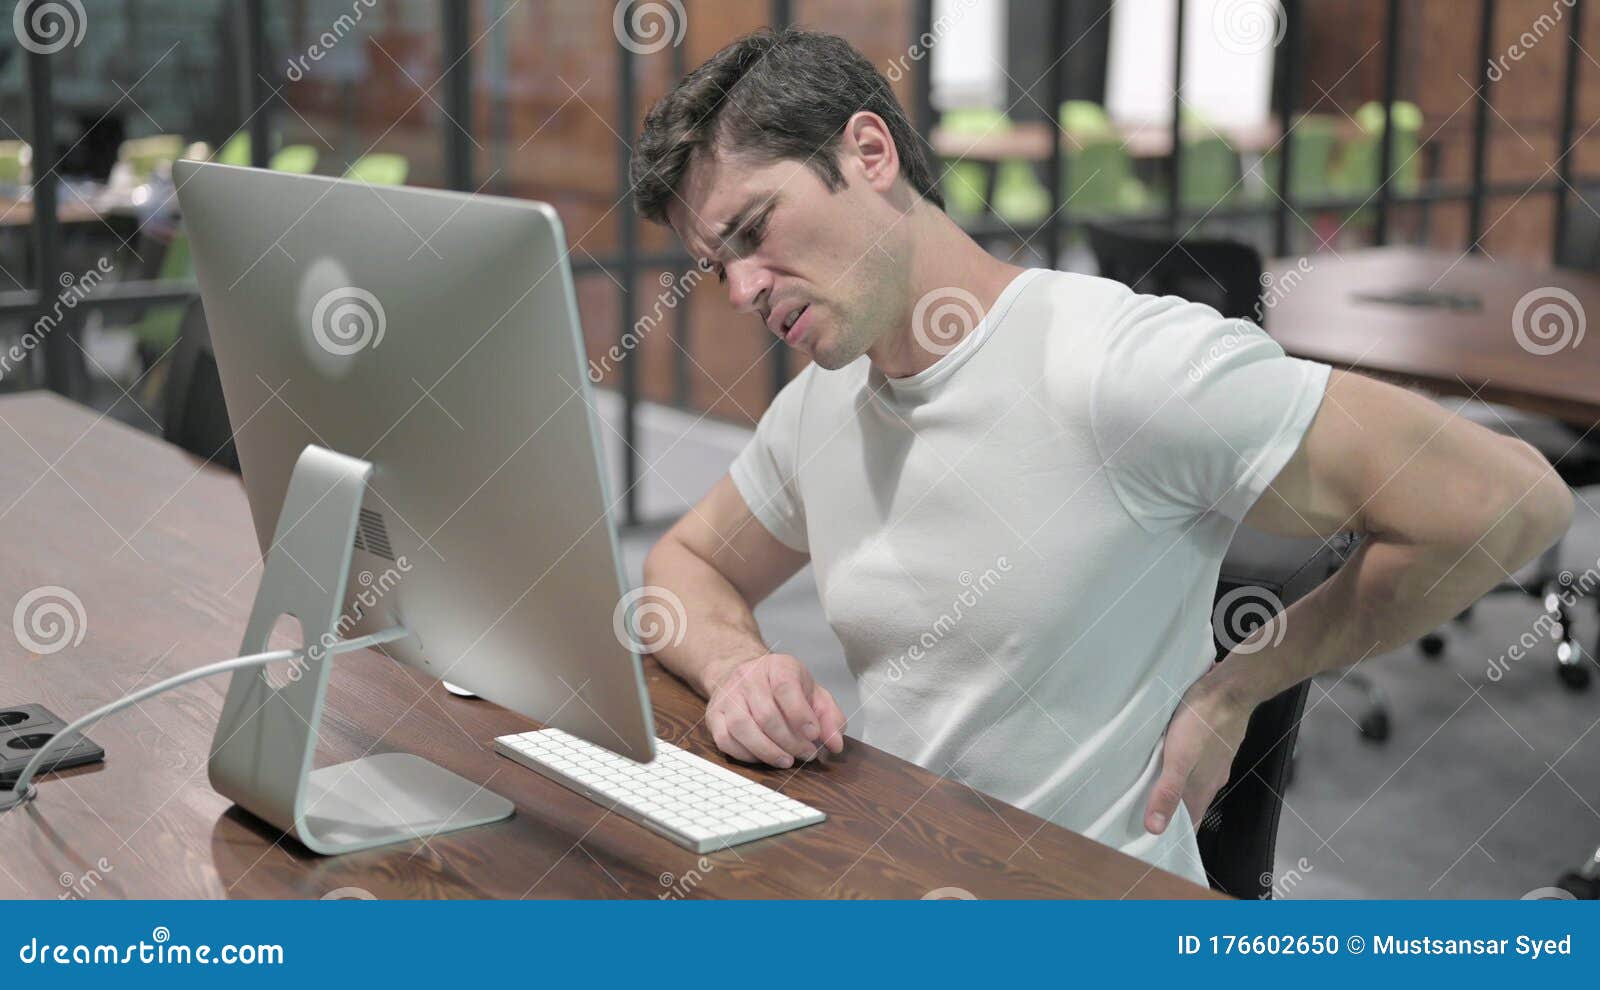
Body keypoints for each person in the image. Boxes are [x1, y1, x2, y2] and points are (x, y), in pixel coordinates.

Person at [627, 28, 1572, 885]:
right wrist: (737, 666)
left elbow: (1510, 502)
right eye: (719, 265)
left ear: (869, 154)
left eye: (753, 231)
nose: (742, 288)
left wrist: (1241, 685)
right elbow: (685, 566)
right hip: (917, 872)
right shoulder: (821, 406)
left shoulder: (1123, 364)